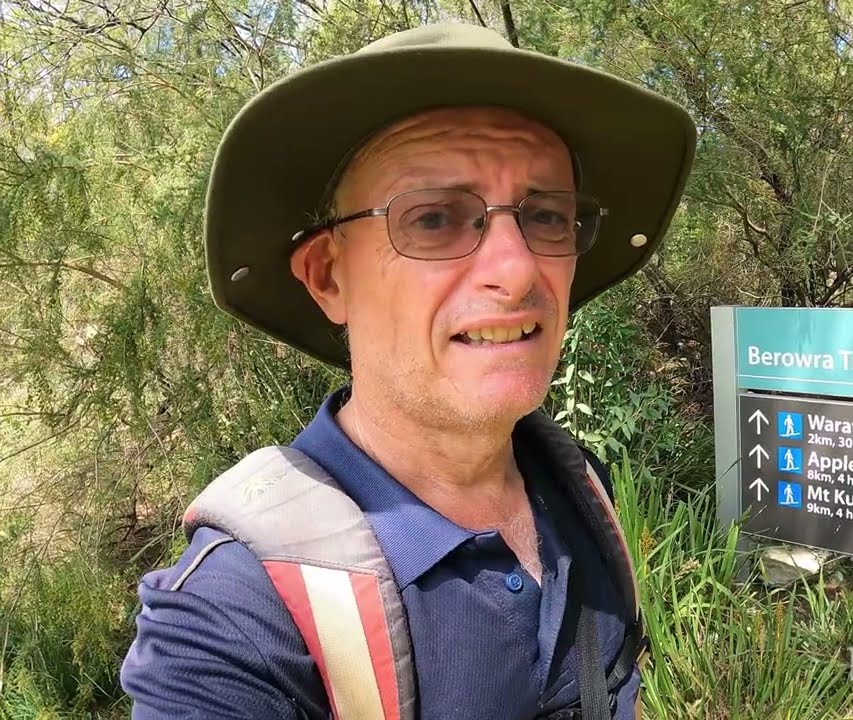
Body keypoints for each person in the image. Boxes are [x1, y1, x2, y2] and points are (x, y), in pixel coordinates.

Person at [119, 22, 695, 720]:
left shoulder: (583, 498)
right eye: (433, 219)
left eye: (546, 216)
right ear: (328, 276)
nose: (517, 272)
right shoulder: (235, 615)